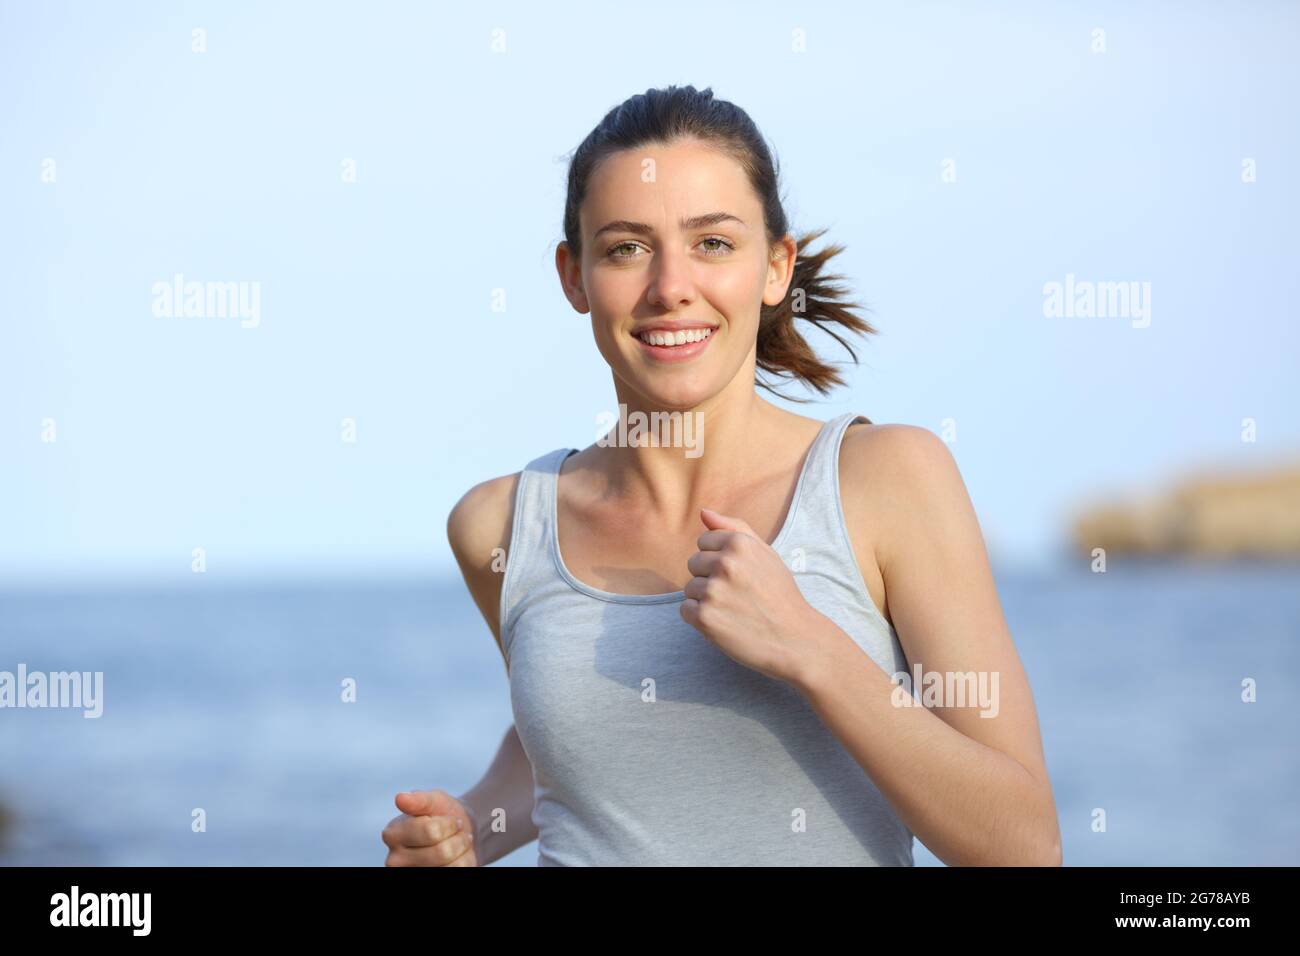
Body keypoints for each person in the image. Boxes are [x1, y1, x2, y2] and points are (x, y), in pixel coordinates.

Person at [381, 84, 1061, 867]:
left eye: (712, 242)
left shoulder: (887, 481)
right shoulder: (499, 526)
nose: (671, 286)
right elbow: (564, 739)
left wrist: (814, 649)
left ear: (775, 267)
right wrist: (474, 824)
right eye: (626, 248)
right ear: (574, 277)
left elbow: (1025, 847)